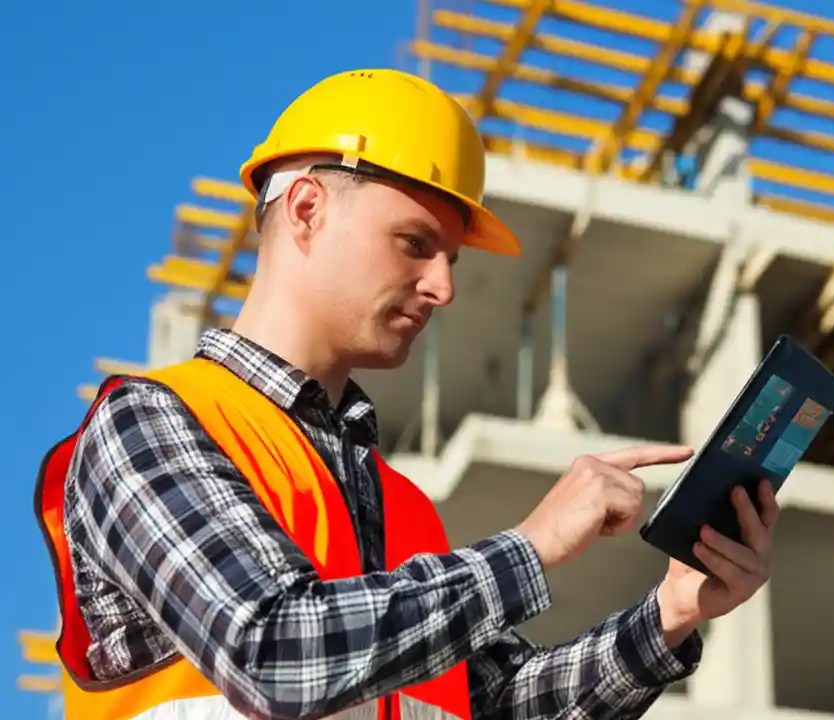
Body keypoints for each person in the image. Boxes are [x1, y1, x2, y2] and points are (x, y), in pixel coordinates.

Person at [35, 68, 780, 720]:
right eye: (415, 243)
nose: (444, 287)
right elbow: (271, 649)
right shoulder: (150, 422)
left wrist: (667, 617)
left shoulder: (400, 507)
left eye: (450, 258)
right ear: (305, 210)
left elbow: (493, 703)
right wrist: (533, 545)